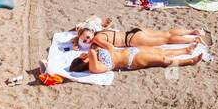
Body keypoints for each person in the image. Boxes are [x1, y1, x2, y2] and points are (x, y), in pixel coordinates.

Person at [68, 39, 204, 74]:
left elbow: (110, 48)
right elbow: (92, 54)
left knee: (161, 52)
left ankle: (186, 50)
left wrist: (97, 45)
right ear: (82, 61)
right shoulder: (94, 67)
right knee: (162, 60)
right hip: (132, 60)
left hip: (131, 51)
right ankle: (189, 61)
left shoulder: (96, 56)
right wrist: (90, 53)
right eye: (82, 58)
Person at [70, 17, 205, 49]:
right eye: (85, 40)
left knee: (167, 40)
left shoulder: (97, 39)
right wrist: (77, 41)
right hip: (134, 31)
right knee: (166, 33)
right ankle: (192, 31)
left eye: (87, 37)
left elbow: (111, 48)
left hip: (133, 40)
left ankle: (193, 40)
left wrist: (94, 49)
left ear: (91, 33)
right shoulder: (101, 31)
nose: (88, 40)